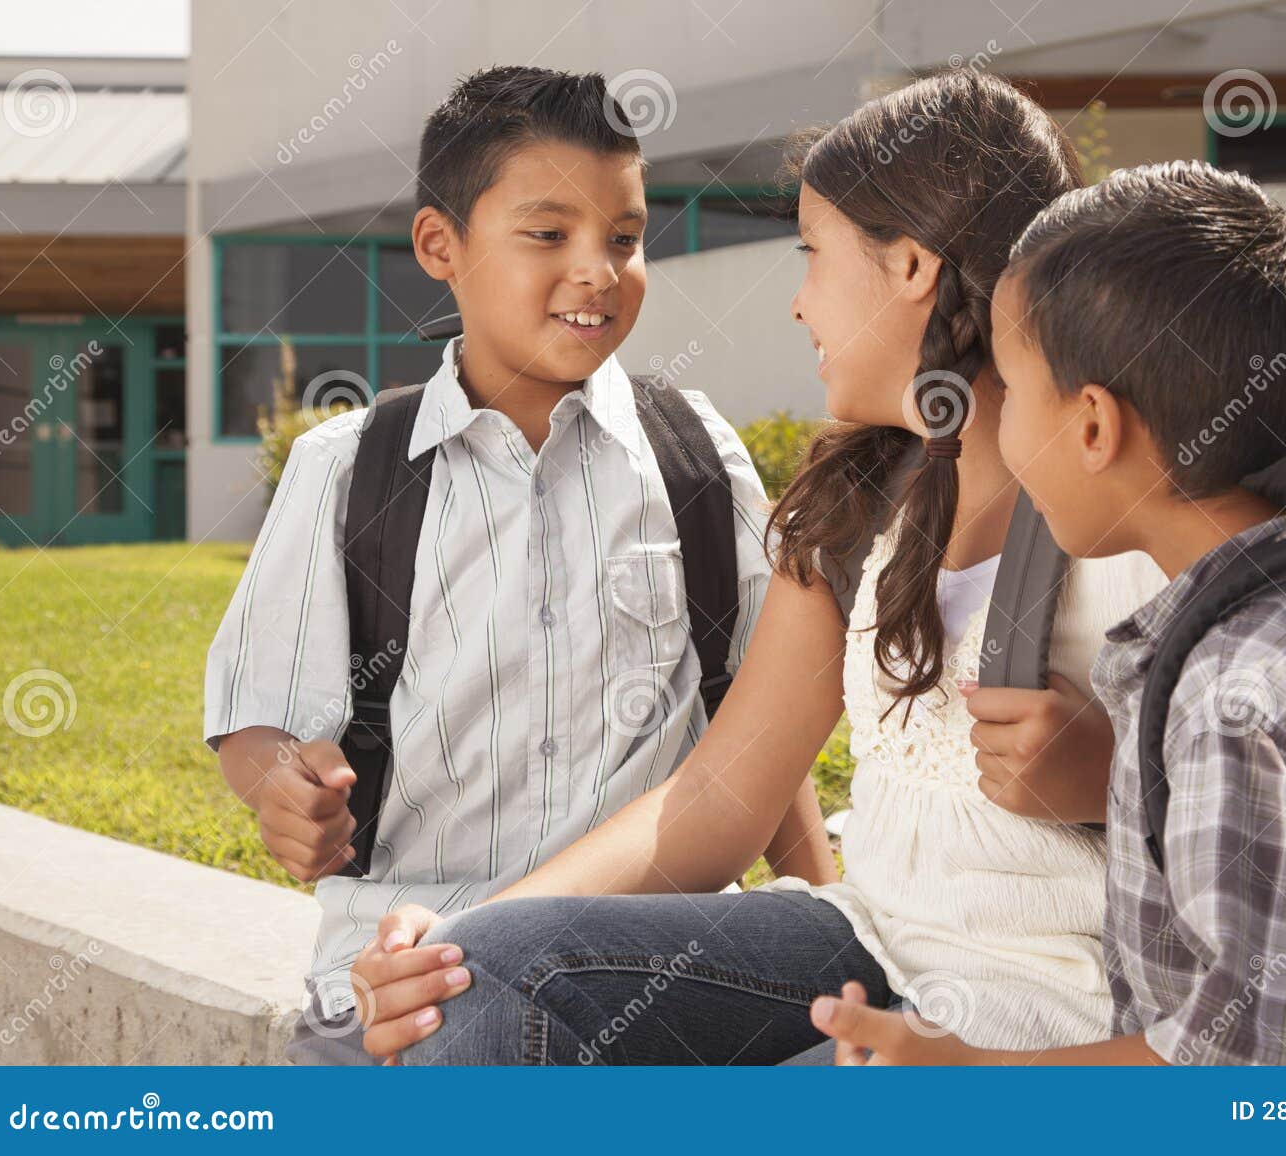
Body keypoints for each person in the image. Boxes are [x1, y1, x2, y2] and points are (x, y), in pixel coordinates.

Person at [358, 70, 1167, 1066]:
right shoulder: (855, 498)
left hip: (1047, 1005)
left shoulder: (1130, 492)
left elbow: (1277, 815)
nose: (797, 302)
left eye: (813, 255)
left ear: (910, 265)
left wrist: (1114, 778)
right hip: (864, 940)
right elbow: (716, 800)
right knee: (475, 982)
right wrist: (449, 945)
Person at [202, 66, 832, 1066]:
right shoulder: (348, 470)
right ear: (439, 246)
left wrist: (822, 907)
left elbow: (760, 726)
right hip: (399, 975)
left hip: (647, 968)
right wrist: (284, 784)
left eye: (624, 239)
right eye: (549, 236)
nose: (597, 271)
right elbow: (257, 714)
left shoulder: (694, 457)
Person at [812, 160, 1286, 1065]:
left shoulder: (1240, 692)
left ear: (1095, 428)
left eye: (1017, 397)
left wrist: (975, 1077)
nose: (1003, 435)